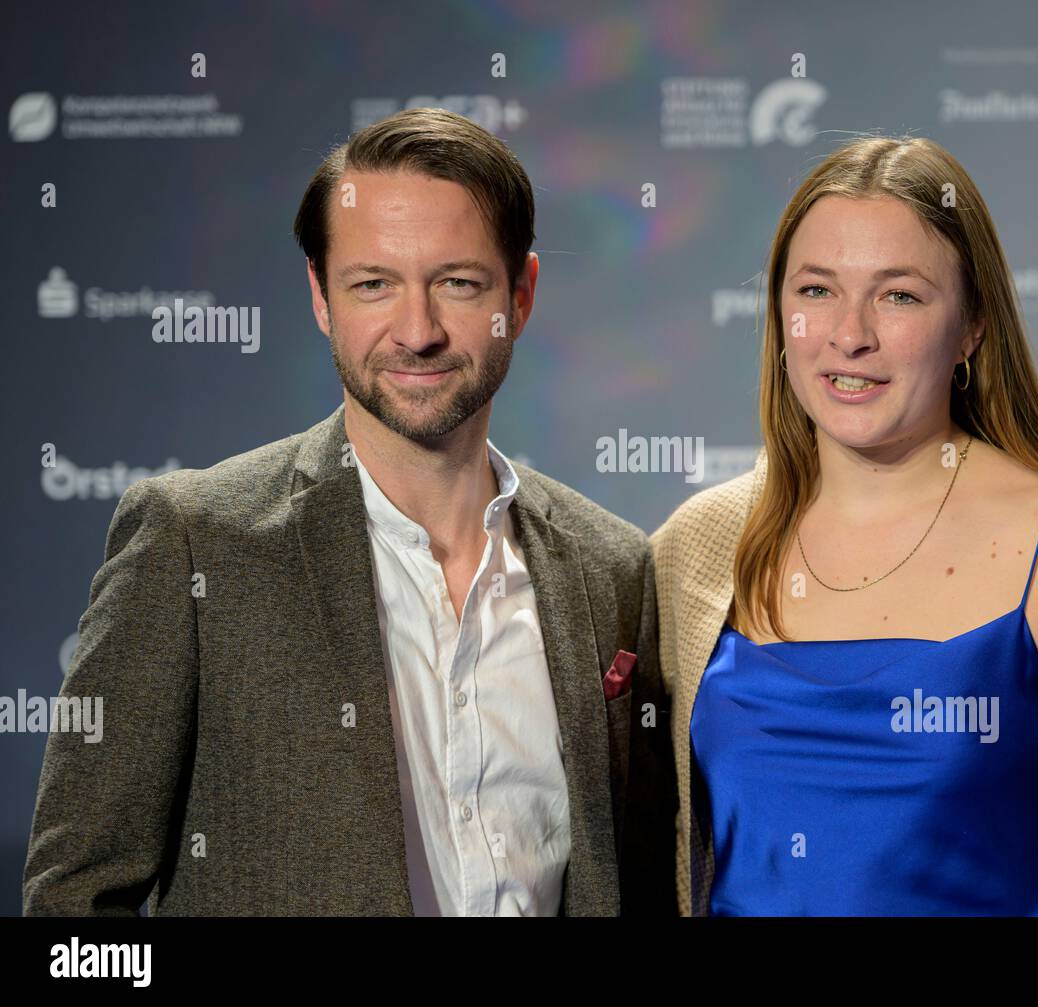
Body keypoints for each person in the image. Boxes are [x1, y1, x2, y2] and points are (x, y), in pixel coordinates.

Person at [23, 107, 676, 917]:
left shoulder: (611, 566)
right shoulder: (194, 543)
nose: (417, 331)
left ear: (523, 292)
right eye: (374, 284)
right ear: (321, 297)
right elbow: (73, 916)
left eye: (458, 283)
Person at [651, 135, 1038, 916]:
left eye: (900, 295)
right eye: (816, 290)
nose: (849, 333)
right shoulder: (695, 547)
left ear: (971, 327)